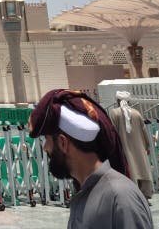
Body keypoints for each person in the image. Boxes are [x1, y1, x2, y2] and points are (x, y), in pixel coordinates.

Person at [29, 88, 152, 229]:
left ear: (63, 143)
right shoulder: (86, 192)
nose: (45, 147)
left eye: (47, 139)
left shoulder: (120, 198)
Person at [109, 90, 153, 199]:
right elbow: (144, 132)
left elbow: (112, 131)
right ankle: (145, 193)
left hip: (124, 147)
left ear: (118, 101)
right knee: (141, 168)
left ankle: (132, 193)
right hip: (139, 147)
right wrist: (147, 146)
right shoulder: (136, 113)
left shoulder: (114, 113)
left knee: (130, 169)